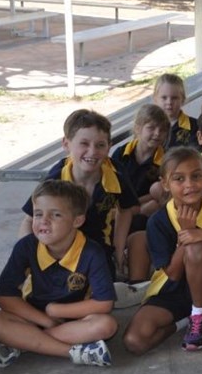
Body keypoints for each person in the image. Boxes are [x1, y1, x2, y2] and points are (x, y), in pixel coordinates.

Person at [0, 181, 117, 368]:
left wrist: (55, 311)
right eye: (38, 214)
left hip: (77, 320)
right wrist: (45, 320)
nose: (44, 221)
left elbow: (104, 303)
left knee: (106, 325)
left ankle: (21, 344)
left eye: (55, 214)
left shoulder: (91, 251)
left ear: (77, 221)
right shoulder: (26, 246)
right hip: (33, 316)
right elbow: (4, 297)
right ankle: (72, 352)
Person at [123, 148, 202, 354]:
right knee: (135, 341)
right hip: (171, 290)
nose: (189, 184)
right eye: (179, 178)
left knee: (196, 248)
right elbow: (174, 274)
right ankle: (186, 320)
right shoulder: (158, 221)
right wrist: (188, 232)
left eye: (196, 176)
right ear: (165, 183)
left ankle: (200, 314)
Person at [21, 109, 137, 280]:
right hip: (58, 246)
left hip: (97, 247)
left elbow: (126, 210)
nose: (92, 151)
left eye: (100, 145)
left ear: (109, 146)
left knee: (97, 282)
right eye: (84, 143)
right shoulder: (54, 180)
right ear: (66, 144)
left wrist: (119, 250)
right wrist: (28, 255)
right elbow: (29, 219)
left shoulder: (116, 175)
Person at [114, 105, 170, 283]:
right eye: (151, 128)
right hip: (122, 205)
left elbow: (159, 192)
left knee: (156, 197)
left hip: (143, 208)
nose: (157, 133)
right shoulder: (121, 153)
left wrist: (134, 204)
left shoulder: (165, 159)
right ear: (137, 128)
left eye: (162, 129)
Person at [152, 72, 197, 148]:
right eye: (164, 98)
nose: (169, 102)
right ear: (155, 98)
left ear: (183, 99)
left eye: (174, 98)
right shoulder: (147, 126)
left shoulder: (195, 127)